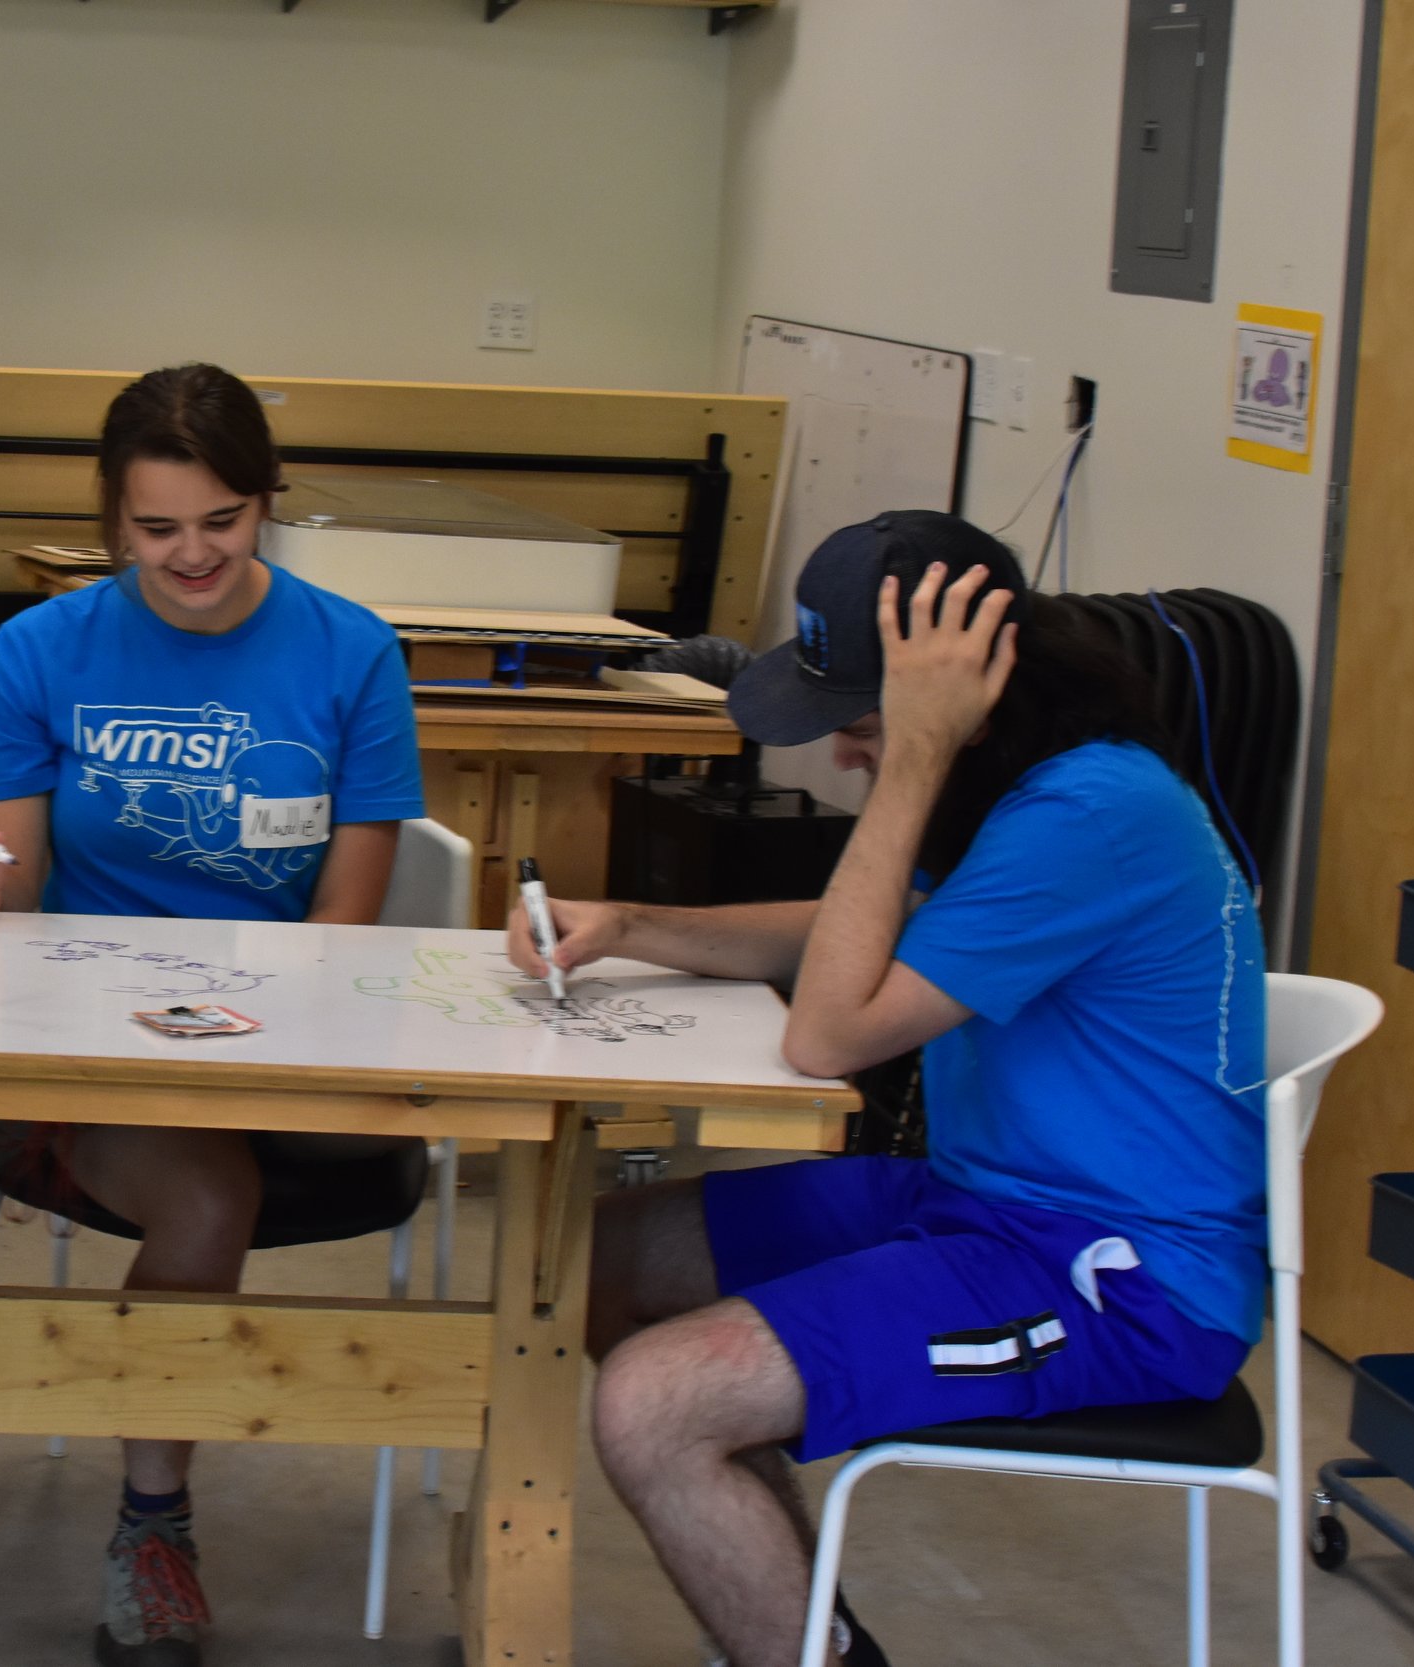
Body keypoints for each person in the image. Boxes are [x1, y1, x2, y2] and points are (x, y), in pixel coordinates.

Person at [511, 512, 1264, 1667]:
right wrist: (631, 924)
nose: (847, 753)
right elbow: (855, 936)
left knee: (655, 1402)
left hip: (1124, 1276)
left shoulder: (1091, 811)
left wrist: (914, 753)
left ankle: (795, 1640)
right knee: (597, 1258)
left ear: (968, 690)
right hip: (978, 1203)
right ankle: (792, 1619)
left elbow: (830, 1031)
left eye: (858, 724)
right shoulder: (1019, 786)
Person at [0, 363, 427, 1667]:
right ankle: (155, 1521)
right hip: (86, 1046)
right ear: (110, 519)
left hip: (283, 1043)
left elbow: (341, 929)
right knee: (207, 1196)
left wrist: (255, 1043)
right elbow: (14, 890)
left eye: (222, 520)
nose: (192, 555)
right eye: (157, 529)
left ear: (266, 501)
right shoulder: (41, 649)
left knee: (256, 1162)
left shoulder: (350, 649)